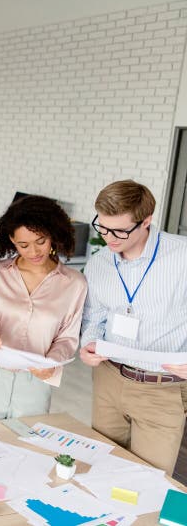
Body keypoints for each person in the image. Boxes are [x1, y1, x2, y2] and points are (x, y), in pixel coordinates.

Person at [79, 179, 187, 475]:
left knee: (148, 481)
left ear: (146, 221)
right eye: (103, 227)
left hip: (161, 388)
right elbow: (94, 317)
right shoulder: (99, 263)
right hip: (109, 379)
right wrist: (88, 344)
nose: (109, 238)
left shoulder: (182, 257)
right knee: (100, 470)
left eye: (120, 231)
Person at [0, 195, 87, 422]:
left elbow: (67, 338)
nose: (34, 252)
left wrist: (50, 365)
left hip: (36, 383)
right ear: (12, 239)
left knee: (26, 442)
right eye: (23, 245)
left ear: (52, 234)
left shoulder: (74, 283)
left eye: (41, 241)